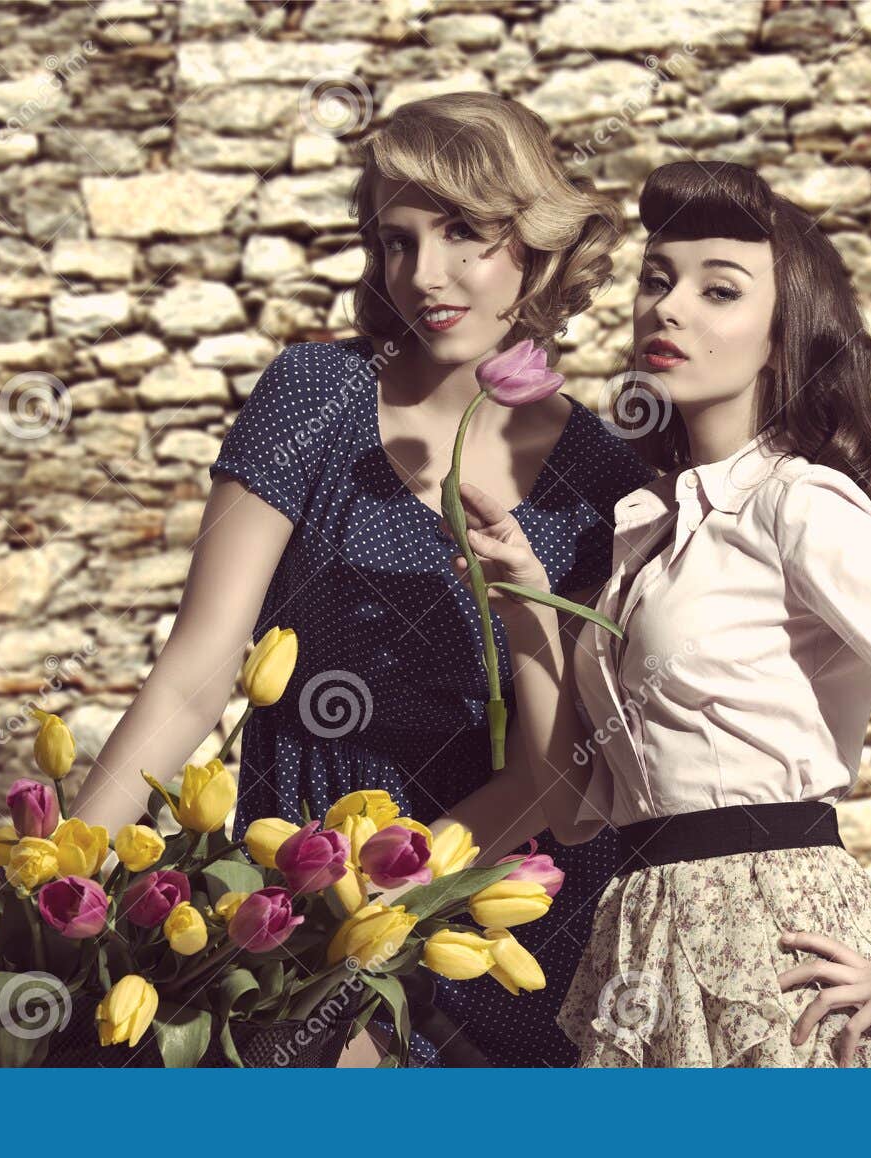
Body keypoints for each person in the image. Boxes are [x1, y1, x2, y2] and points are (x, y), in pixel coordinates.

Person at [72, 93, 656, 1066]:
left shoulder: (605, 480)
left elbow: (557, 765)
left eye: (462, 232)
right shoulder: (315, 393)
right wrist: (60, 873)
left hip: (505, 905)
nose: (422, 274)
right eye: (396, 241)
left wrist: (392, 892)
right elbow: (196, 670)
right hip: (302, 871)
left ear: (536, 242)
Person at [441, 161, 871, 1067]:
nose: (668, 308)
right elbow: (571, 810)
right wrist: (523, 595)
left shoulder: (798, 502)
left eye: (718, 290)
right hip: (642, 944)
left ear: (782, 335)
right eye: (657, 280)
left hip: (781, 951)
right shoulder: (646, 534)